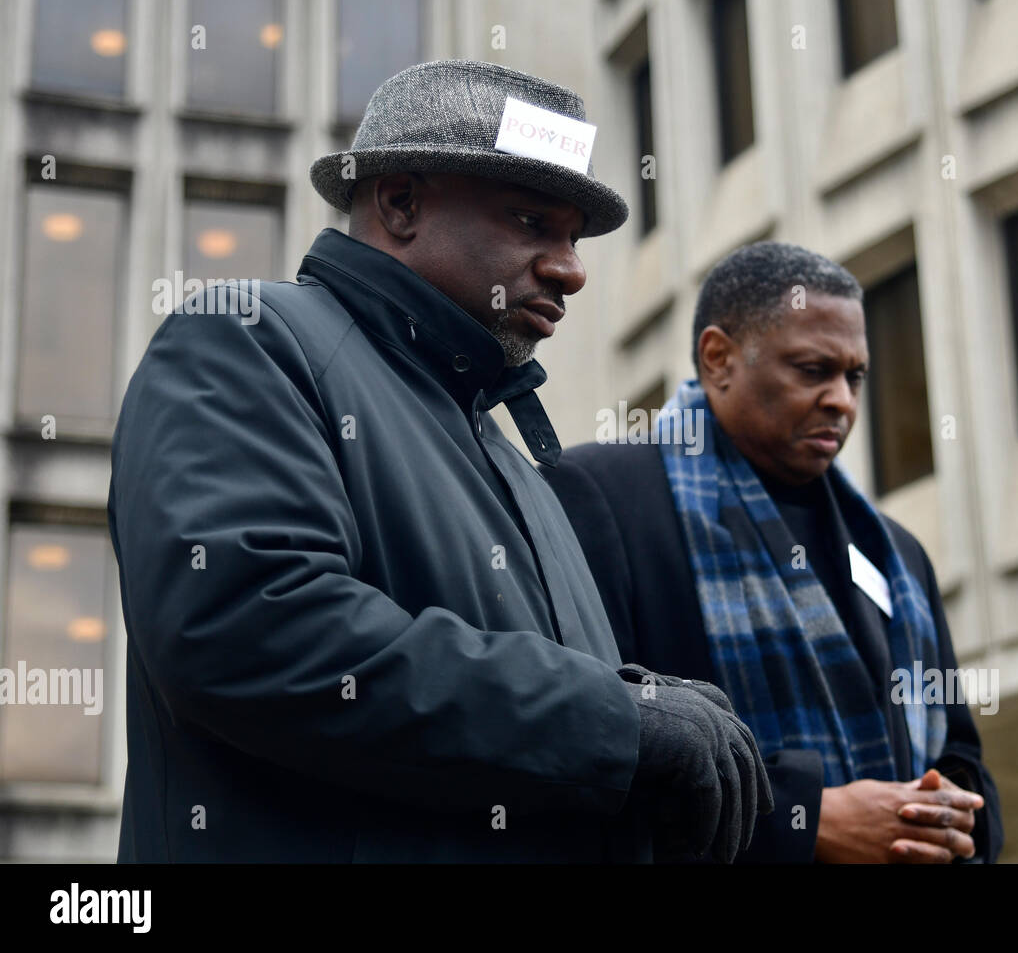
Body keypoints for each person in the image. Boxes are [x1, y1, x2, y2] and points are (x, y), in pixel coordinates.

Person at [109, 60, 769, 863]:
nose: (572, 268)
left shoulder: (508, 455)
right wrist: (614, 720)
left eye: (574, 237)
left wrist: (635, 713)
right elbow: (245, 627)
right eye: (532, 222)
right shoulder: (248, 337)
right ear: (400, 202)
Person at [542, 242, 1003, 863]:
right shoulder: (598, 494)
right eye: (813, 370)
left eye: (855, 375)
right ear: (719, 358)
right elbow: (582, 744)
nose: (842, 399)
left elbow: (963, 759)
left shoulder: (896, 551)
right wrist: (804, 821)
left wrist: (940, 816)